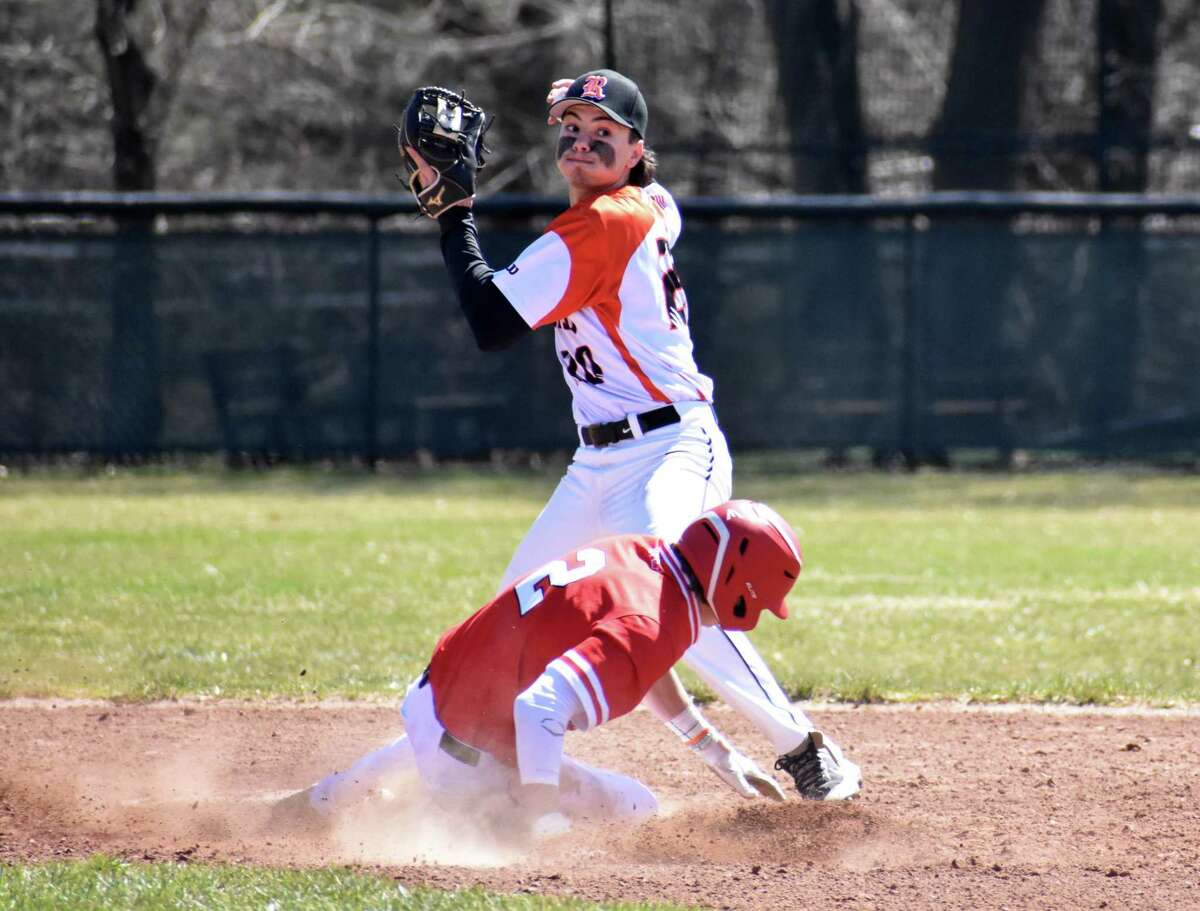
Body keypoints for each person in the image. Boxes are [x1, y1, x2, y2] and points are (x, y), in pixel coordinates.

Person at [402, 68, 861, 802]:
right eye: (572, 128)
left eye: (604, 132)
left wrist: (454, 211)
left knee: (685, 584)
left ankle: (805, 751)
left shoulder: (607, 223)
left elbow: (491, 323)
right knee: (510, 616)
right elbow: (651, 206)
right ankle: (476, 778)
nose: (582, 141)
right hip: (596, 462)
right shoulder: (642, 206)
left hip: (670, 445)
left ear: (637, 148)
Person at [273, 501, 855, 838]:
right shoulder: (653, 621)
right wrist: (543, 818)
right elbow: (539, 708)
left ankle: (331, 797)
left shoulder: (645, 557)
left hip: (431, 701)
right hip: (468, 754)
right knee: (637, 809)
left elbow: (640, 652)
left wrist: (717, 753)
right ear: (737, 586)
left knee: (459, 733)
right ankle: (428, 816)